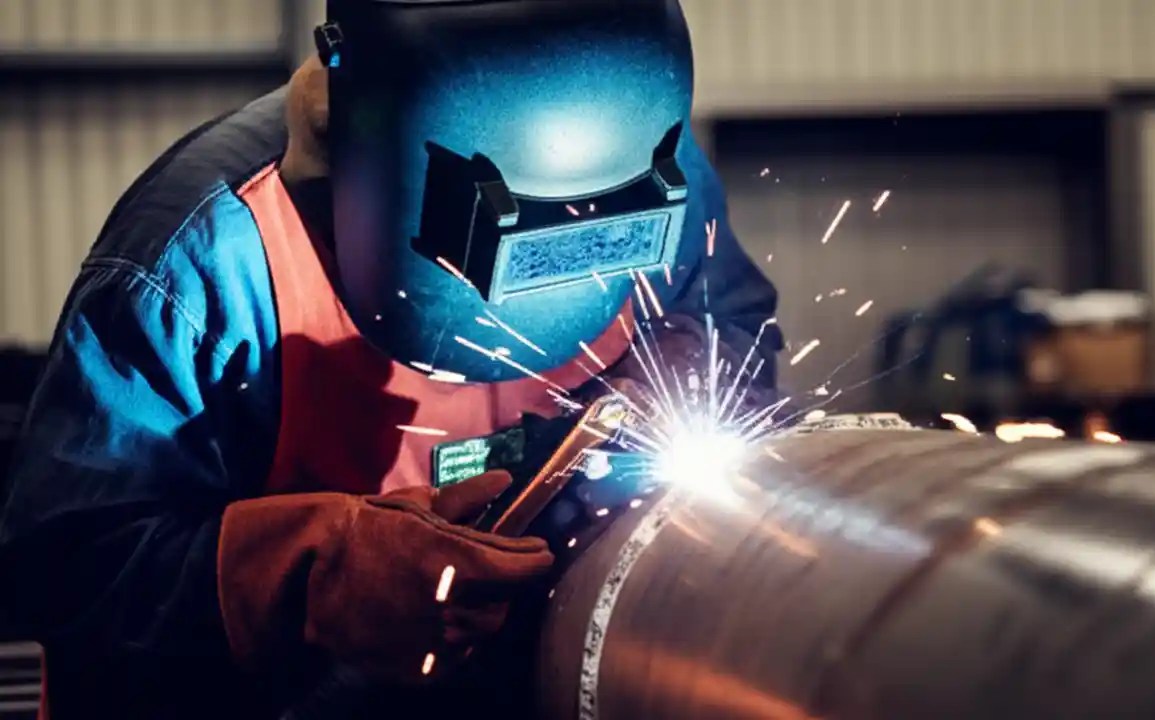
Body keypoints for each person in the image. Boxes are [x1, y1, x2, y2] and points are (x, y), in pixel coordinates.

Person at [0, 1, 779, 717]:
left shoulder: (653, 173)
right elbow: (70, 571)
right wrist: (315, 574)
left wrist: (682, 371)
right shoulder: (206, 264)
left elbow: (734, 330)